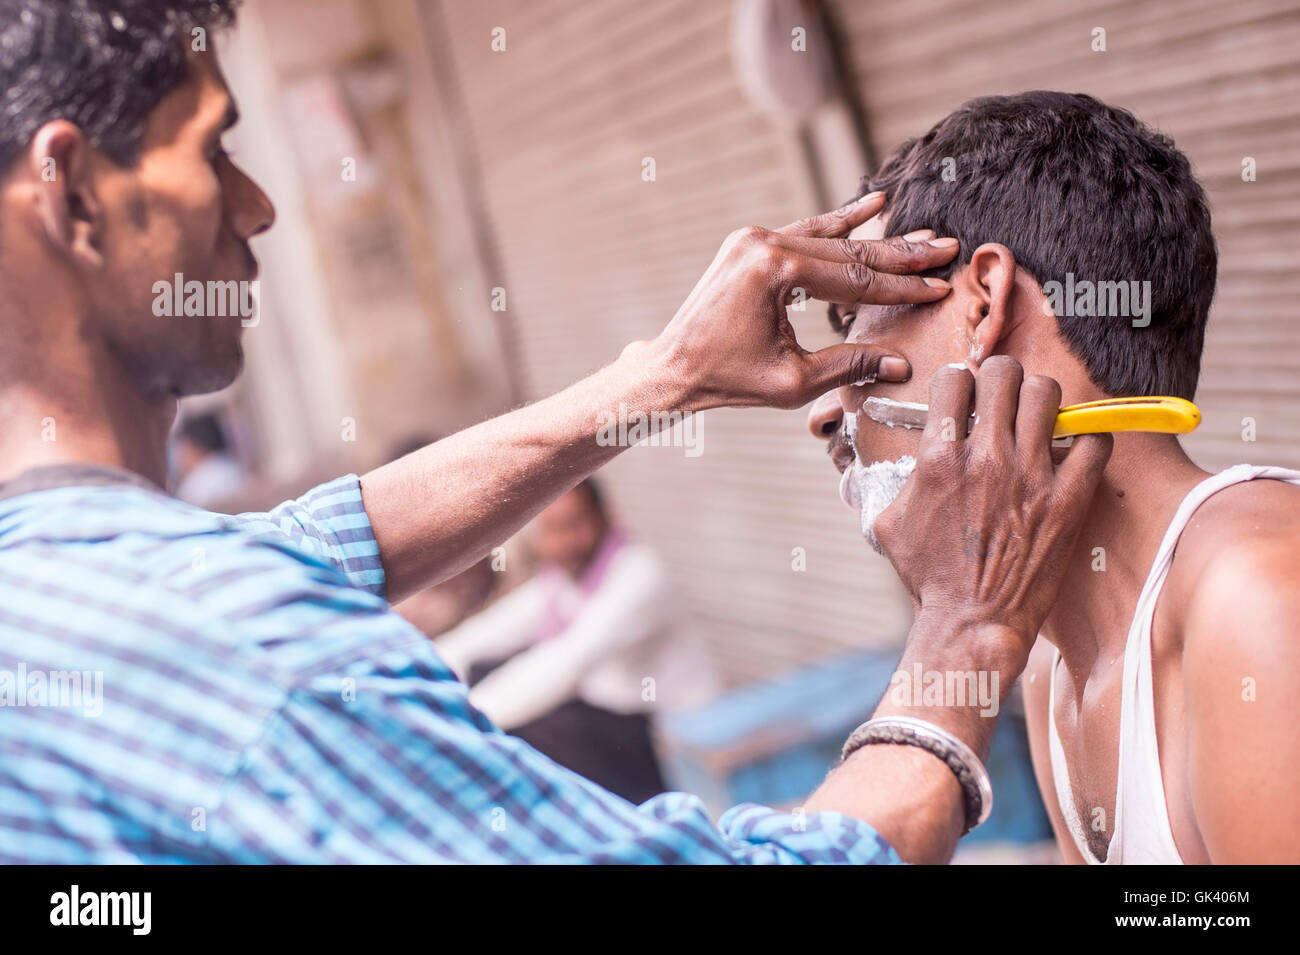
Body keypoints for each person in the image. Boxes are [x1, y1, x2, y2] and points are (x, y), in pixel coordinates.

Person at [0, 1, 1110, 864]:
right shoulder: (239, 652)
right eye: (212, 150)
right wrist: (965, 639)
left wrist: (657, 381)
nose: (256, 207)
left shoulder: (53, 594)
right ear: (72, 193)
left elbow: (299, 550)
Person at [806, 91, 1300, 864]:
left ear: (982, 304)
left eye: (855, 320)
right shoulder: (1048, 669)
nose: (820, 413)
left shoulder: (1261, 597)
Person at [436, 478, 717, 804]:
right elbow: (488, 631)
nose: (563, 542)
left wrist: (463, 722)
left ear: (603, 518)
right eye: (551, 530)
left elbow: (568, 661)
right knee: (481, 669)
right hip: (606, 719)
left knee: (528, 724)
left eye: (574, 525)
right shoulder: (560, 582)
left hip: (661, 740)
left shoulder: (639, 575)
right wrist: (417, 668)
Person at [171, 411, 247, 507]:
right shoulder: (231, 467)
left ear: (193, 446)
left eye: (181, 449)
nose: (178, 457)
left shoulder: (195, 486)